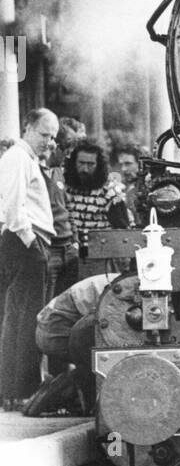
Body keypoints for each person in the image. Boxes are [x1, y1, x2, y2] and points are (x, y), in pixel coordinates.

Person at [0, 109, 59, 407]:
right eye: (44, 134)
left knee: (21, 317)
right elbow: (13, 205)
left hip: (27, 242)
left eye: (53, 137)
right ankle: (20, 391)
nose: (49, 142)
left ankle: (14, 390)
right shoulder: (17, 158)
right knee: (26, 320)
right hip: (25, 242)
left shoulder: (26, 159)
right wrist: (30, 241)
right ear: (28, 128)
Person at [24, 273, 117, 416]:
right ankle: (67, 384)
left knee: (97, 356)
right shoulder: (128, 287)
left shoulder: (124, 280)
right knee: (102, 361)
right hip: (56, 329)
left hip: (49, 326)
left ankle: (59, 390)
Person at [63, 139, 130, 256]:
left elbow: (122, 229)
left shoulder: (110, 191)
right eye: (81, 163)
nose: (85, 169)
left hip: (98, 254)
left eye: (90, 164)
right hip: (68, 252)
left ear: (98, 165)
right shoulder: (63, 187)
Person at [43, 118, 85, 300]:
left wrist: (75, 239)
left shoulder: (59, 172)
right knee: (47, 301)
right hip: (50, 249)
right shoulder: (36, 172)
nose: (68, 157)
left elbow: (66, 206)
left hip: (68, 248)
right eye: (66, 151)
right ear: (55, 146)